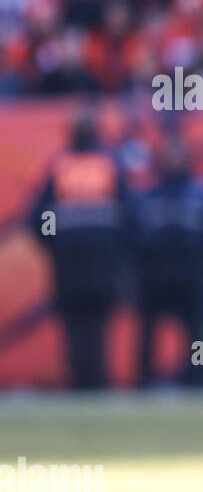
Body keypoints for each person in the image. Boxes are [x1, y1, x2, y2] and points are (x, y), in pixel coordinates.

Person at [30, 113, 128, 390]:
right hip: (98, 259)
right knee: (93, 326)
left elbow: (40, 216)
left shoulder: (62, 165)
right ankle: (93, 383)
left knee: (79, 326)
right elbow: (127, 213)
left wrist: (55, 242)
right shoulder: (107, 164)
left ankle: (85, 383)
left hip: (74, 261)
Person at [130, 138, 203, 387]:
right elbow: (137, 239)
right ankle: (143, 380)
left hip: (188, 278)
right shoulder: (149, 198)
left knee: (195, 334)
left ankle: (195, 377)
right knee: (148, 332)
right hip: (157, 278)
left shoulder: (199, 197)